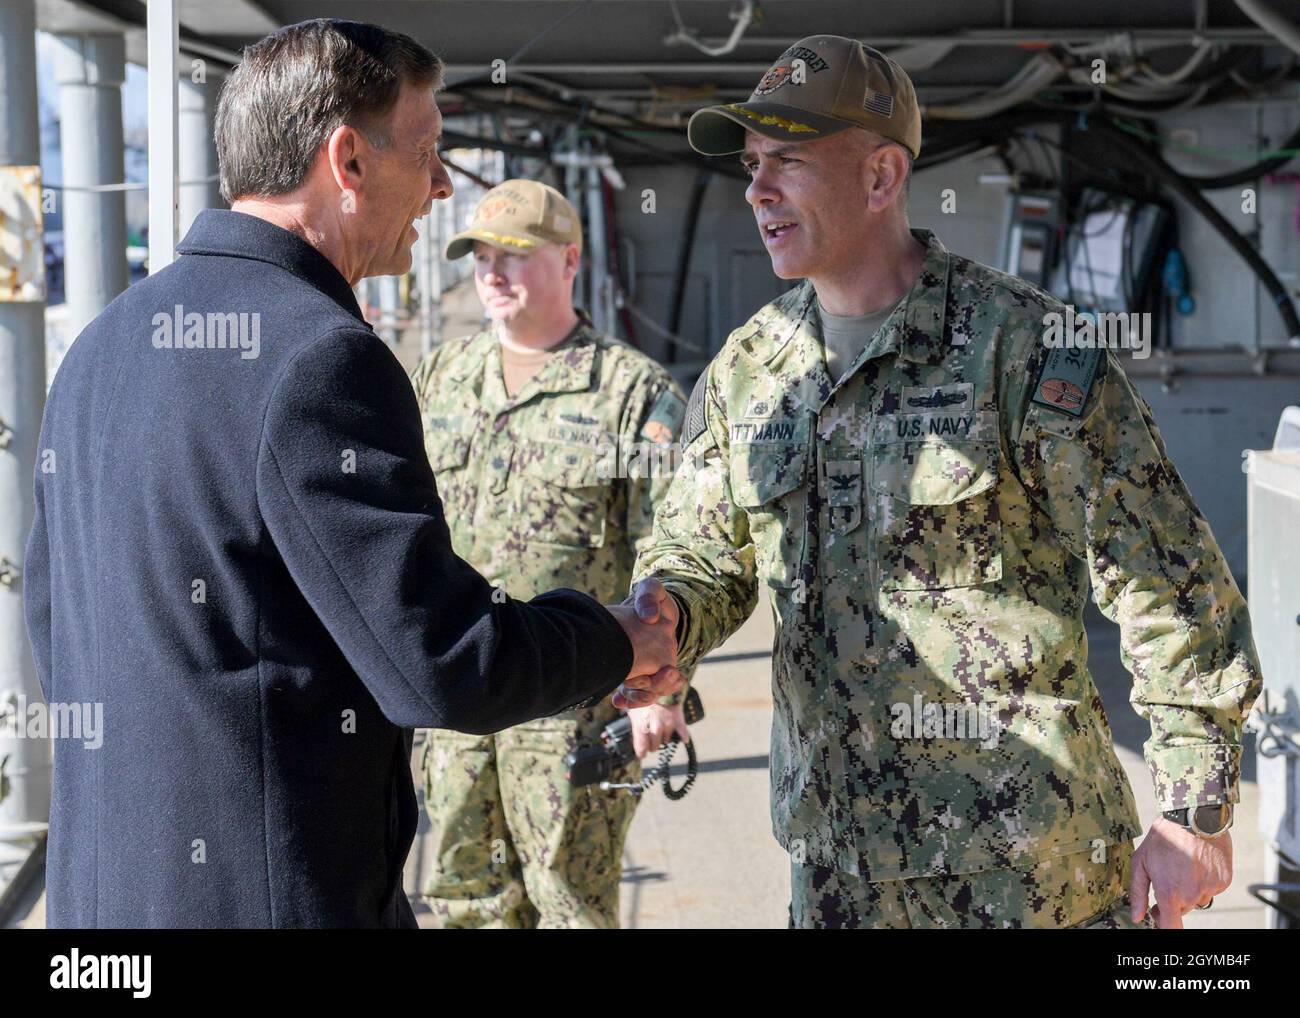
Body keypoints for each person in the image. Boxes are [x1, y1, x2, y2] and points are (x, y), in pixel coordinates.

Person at [23, 18, 680, 929]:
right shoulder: (320, 358)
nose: (444, 184)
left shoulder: (102, 344)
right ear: (349, 160)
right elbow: (442, 661)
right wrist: (618, 637)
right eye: (429, 149)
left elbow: (55, 624)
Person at [628, 34, 1261, 929]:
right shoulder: (748, 371)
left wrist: (1195, 808)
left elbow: (1167, 575)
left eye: (789, 162)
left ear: (882, 177)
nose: (758, 190)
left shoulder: (1026, 348)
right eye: (752, 165)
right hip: (836, 870)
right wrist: (662, 624)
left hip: (1028, 873)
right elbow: (700, 555)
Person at [411, 179, 691, 928]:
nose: (493, 272)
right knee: (466, 901)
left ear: (570, 260)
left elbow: (664, 553)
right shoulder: (439, 378)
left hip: (574, 706)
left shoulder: (631, 393)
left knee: (571, 907)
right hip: (461, 704)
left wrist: (662, 693)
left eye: (516, 255)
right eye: (480, 257)